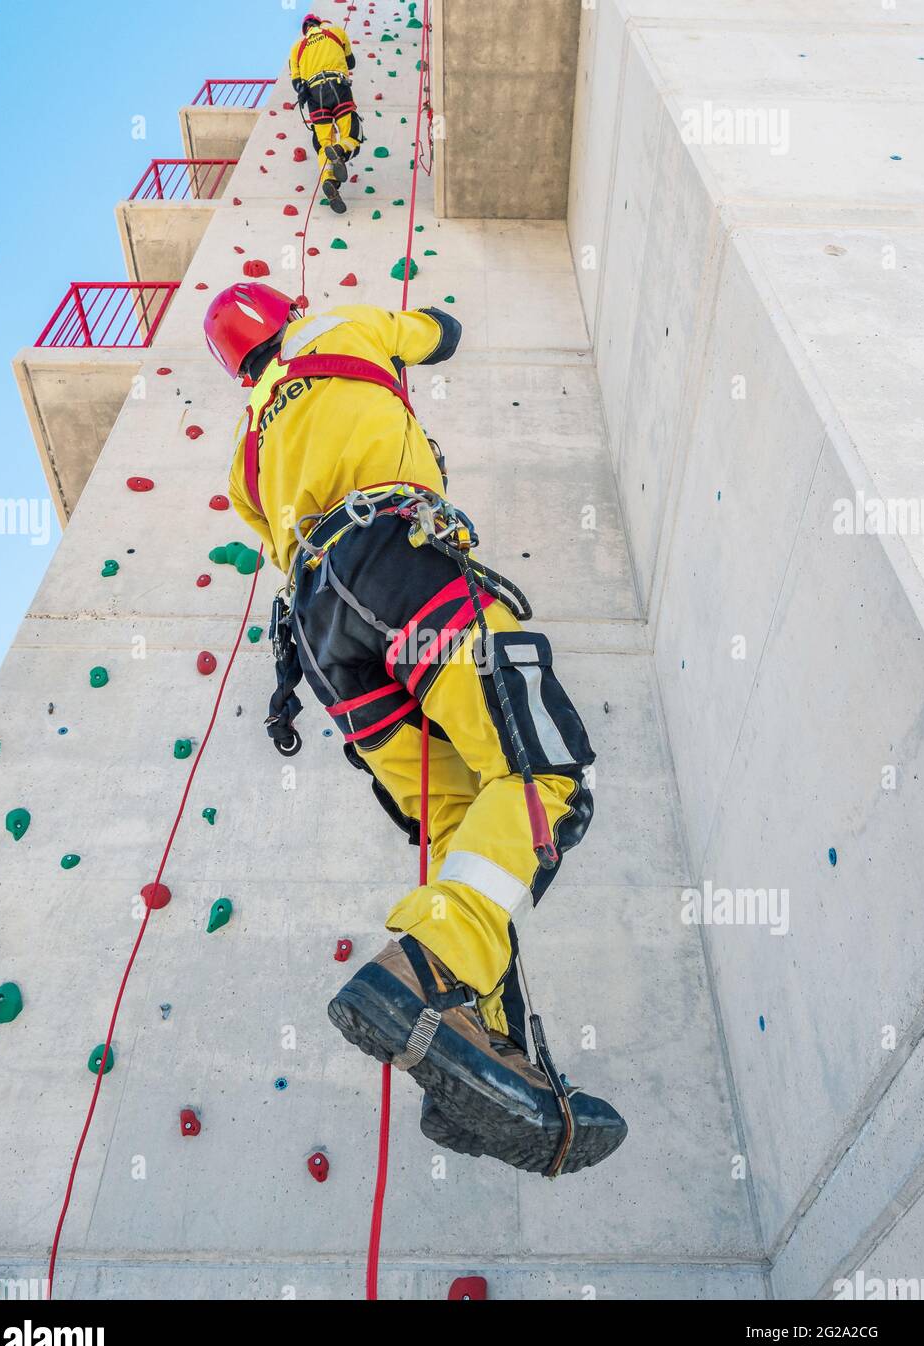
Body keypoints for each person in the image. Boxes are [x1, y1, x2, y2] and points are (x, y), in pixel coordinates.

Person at [203, 281, 627, 1176]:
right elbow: (441, 332)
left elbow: (264, 530)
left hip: (322, 641)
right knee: (541, 774)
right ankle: (428, 977)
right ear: (284, 315)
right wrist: (408, 336)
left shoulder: (245, 450)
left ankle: (485, 1063)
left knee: (468, 827)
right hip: (395, 566)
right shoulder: (335, 326)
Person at [289, 12, 362, 214]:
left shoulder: (297, 47)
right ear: (320, 22)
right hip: (337, 86)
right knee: (352, 133)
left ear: (305, 29)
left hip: (314, 96)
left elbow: (296, 82)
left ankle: (329, 179)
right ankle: (340, 149)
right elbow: (351, 62)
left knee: (323, 142)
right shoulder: (335, 31)